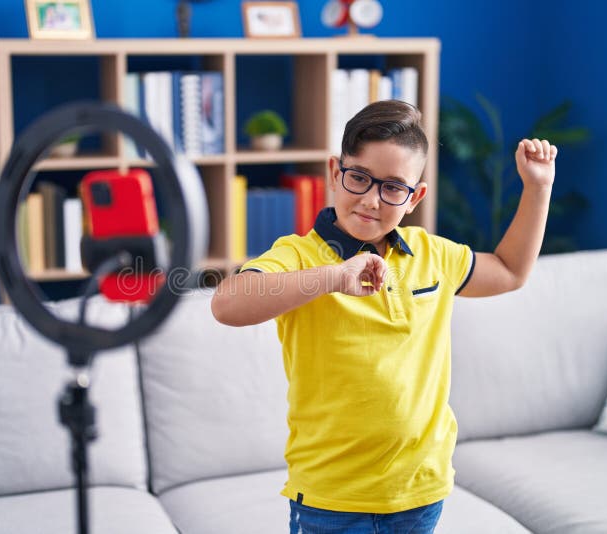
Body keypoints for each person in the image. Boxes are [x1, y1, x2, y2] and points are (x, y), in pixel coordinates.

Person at [211, 100, 557, 533]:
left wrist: (537, 189)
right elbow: (227, 304)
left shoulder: (432, 254)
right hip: (331, 501)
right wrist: (335, 277)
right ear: (335, 172)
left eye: (393, 187)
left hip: (419, 492)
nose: (371, 200)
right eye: (359, 178)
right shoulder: (298, 257)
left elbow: (509, 271)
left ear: (416, 197)